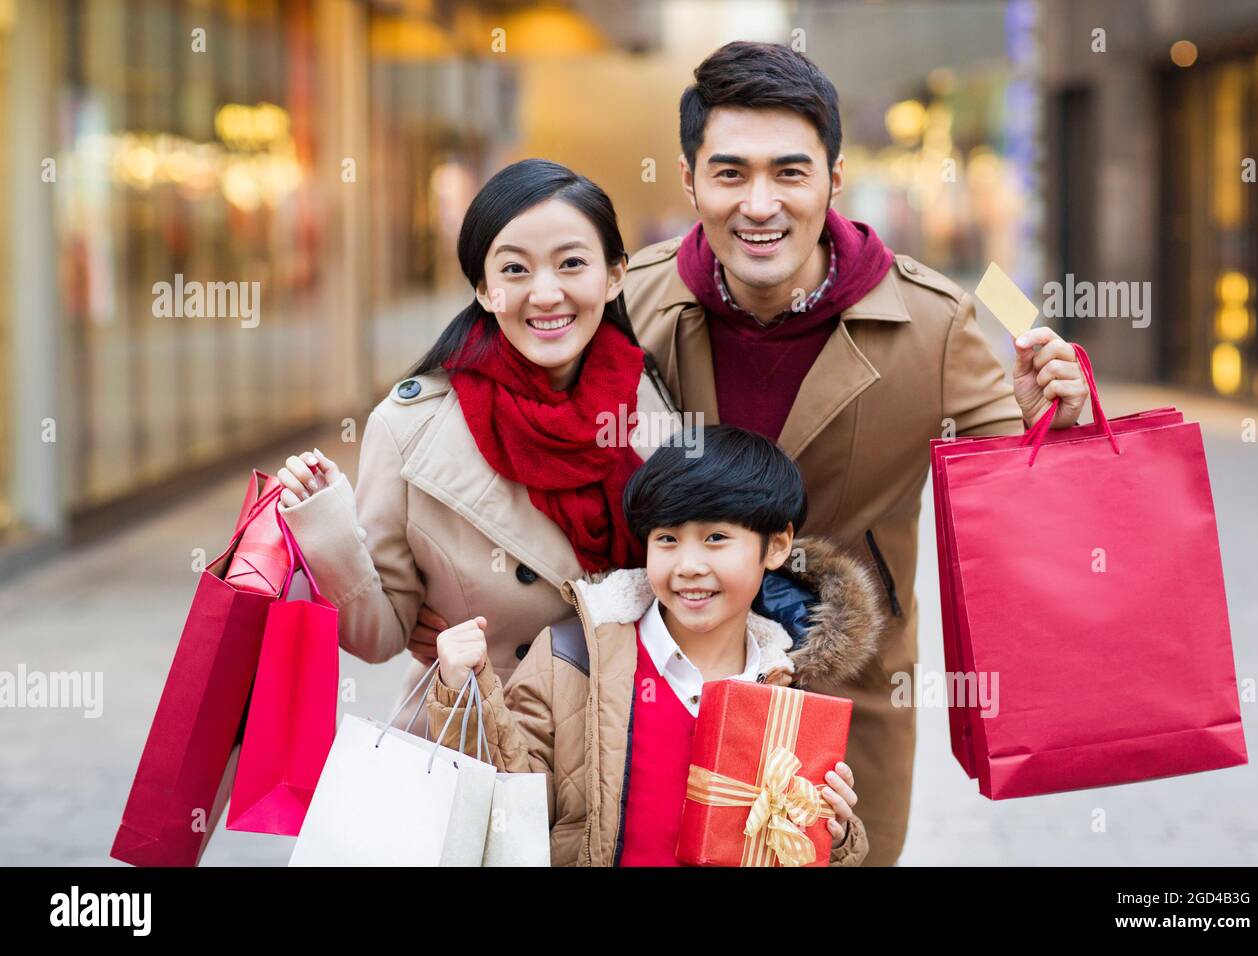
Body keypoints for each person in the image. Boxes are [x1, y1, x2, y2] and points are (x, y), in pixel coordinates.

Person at [619, 41, 1091, 865]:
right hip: (653, 680)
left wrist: (1060, 423)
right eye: (730, 173)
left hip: (851, 692)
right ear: (689, 180)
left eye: (789, 173)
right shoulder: (631, 304)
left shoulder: (935, 323)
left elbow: (1031, 514)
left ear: (834, 181)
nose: (759, 203)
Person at [273, 159, 681, 722]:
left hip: (628, 741)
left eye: (571, 264)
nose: (545, 293)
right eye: (515, 270)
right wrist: (326, 530)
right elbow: (381, 636)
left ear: (614, 276)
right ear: (485, 290)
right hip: (480, 743)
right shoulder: (411, 428)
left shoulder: (657, 405)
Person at [429, 425, 893, 866]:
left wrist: (835, 835)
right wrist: (462, 693)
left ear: (776, 545)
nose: (689, 565)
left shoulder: (790, 690)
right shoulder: (574, 658)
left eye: (715, 538)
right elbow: (506, 801)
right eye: (667, 539)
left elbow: (788, 844)